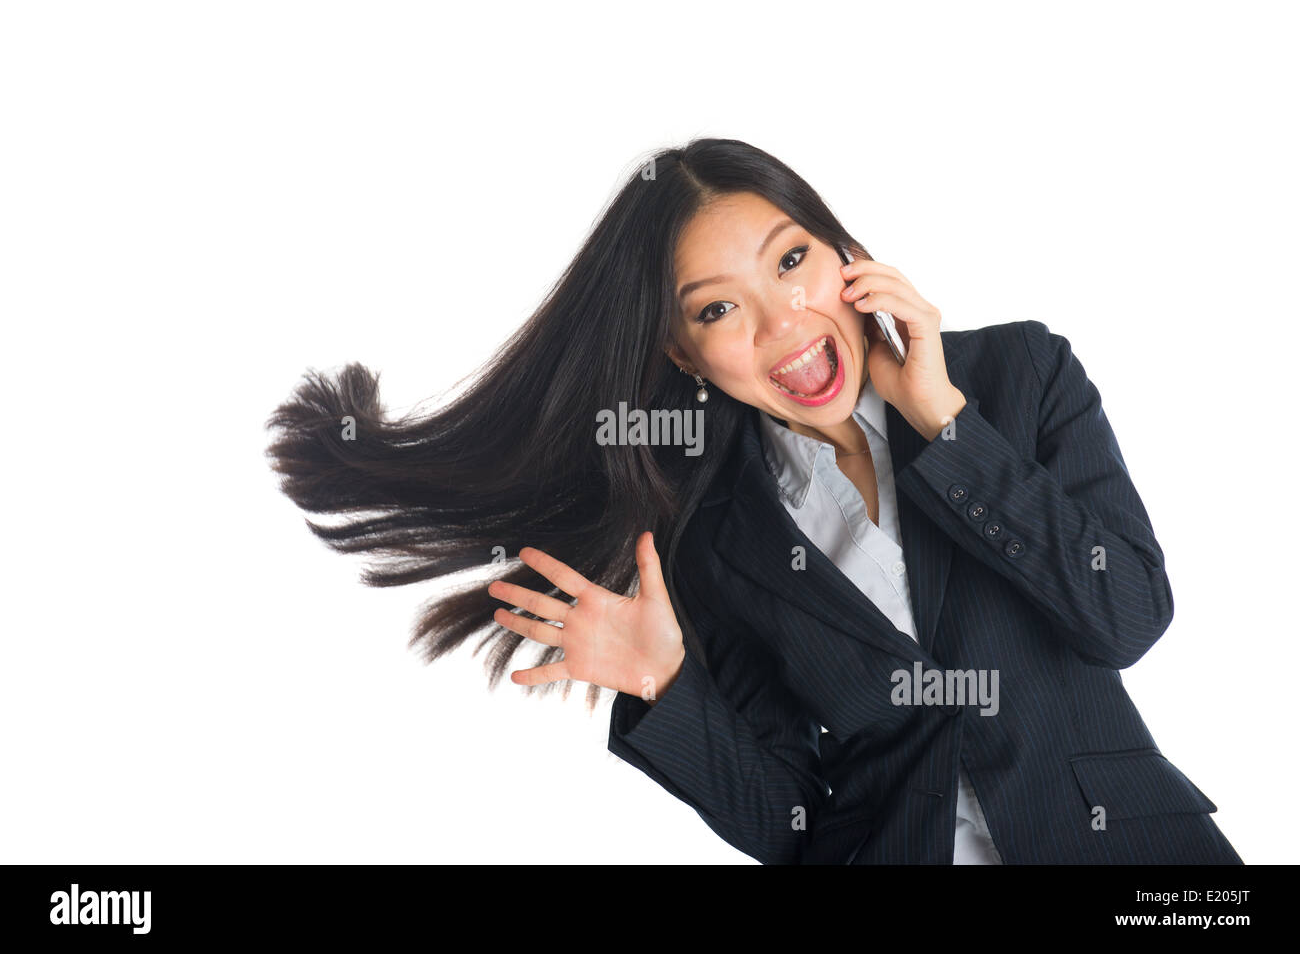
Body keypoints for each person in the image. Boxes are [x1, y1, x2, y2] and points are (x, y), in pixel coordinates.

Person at [266, 137, 1241, 864]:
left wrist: (948, 427)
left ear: (839, 248)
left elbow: (1127, 617)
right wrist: (665, 682)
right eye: (717, 308)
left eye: (789, 260)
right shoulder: (709, 540)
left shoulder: (1019, 375)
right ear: (682, 355)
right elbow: (789, 820)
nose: (782, 323)